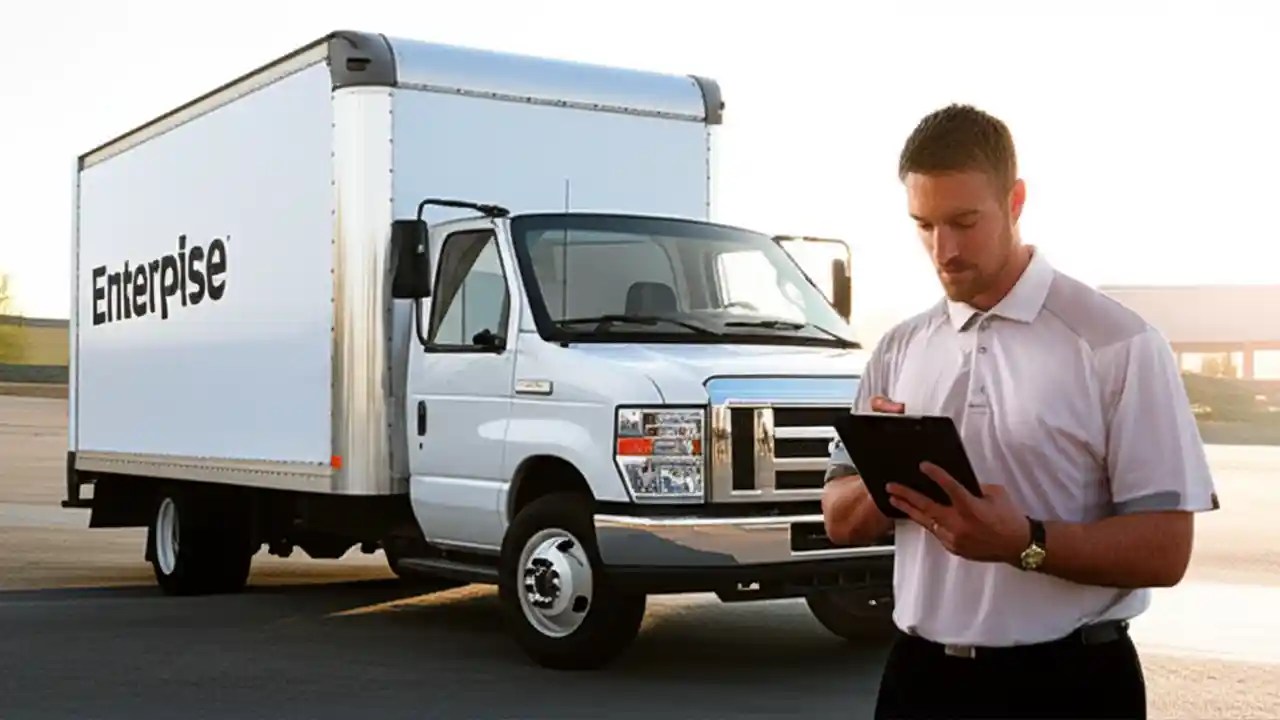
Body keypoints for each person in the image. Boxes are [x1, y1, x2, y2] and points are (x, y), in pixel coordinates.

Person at [821, 103, 1219, 720]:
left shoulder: (1118, 343)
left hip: (1069, 684)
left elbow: (1166, 550)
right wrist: (893, 473)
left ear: (1016, 200)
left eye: (964, 221)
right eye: (923, 225)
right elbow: (840, 522)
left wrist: (1025, 542)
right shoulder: (900, 347)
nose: (943, 249)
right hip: (919, 680)